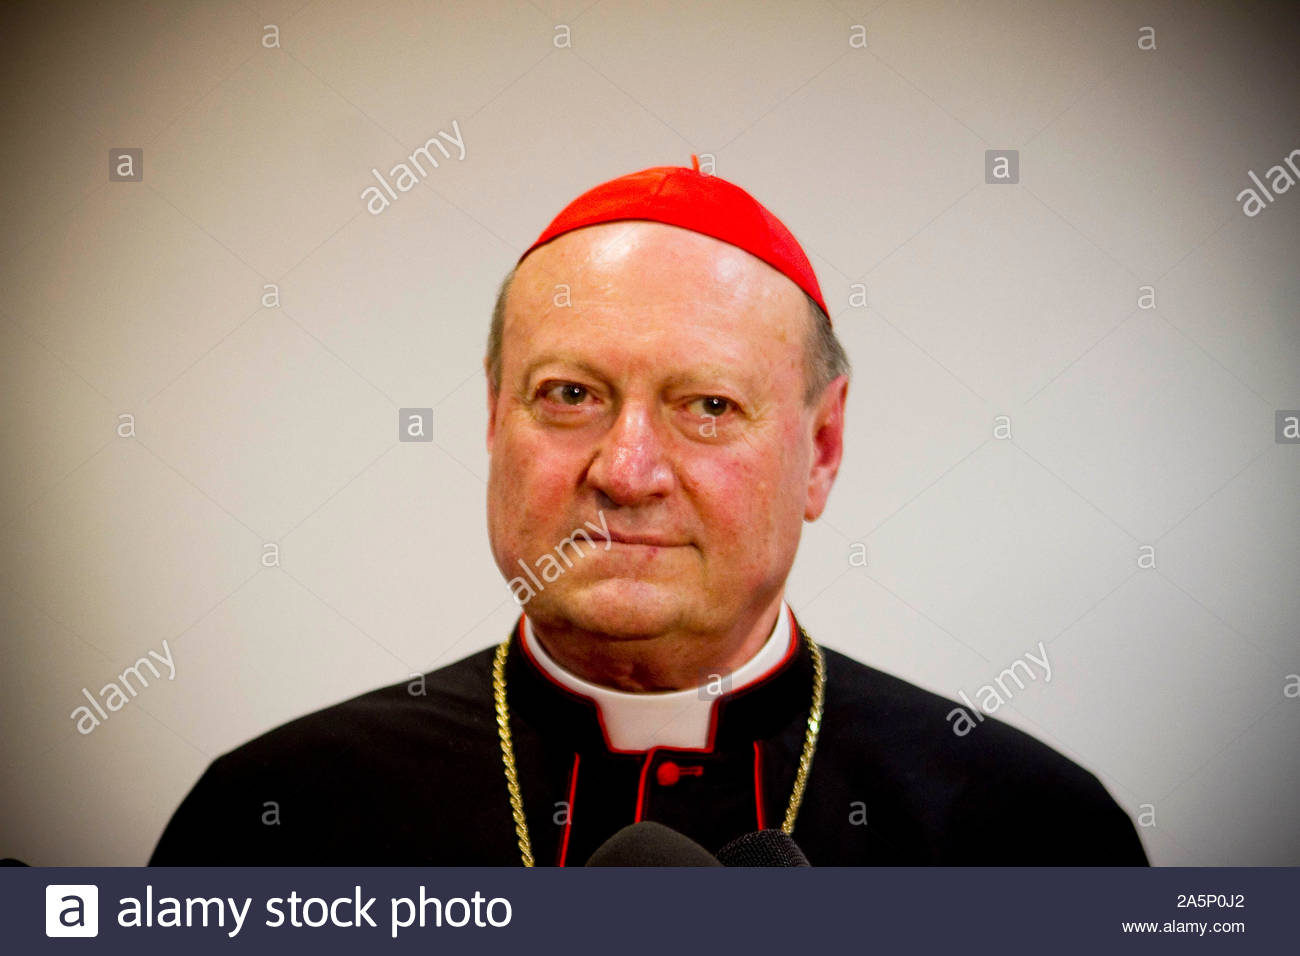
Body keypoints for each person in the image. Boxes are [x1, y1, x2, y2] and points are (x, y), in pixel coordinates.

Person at [149, 159, 1147, 865]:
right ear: (496, 418)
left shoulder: (1025, 830)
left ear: (823, 448)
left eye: (708, 406)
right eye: (570, 395)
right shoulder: (274, 815)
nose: (626, 472)